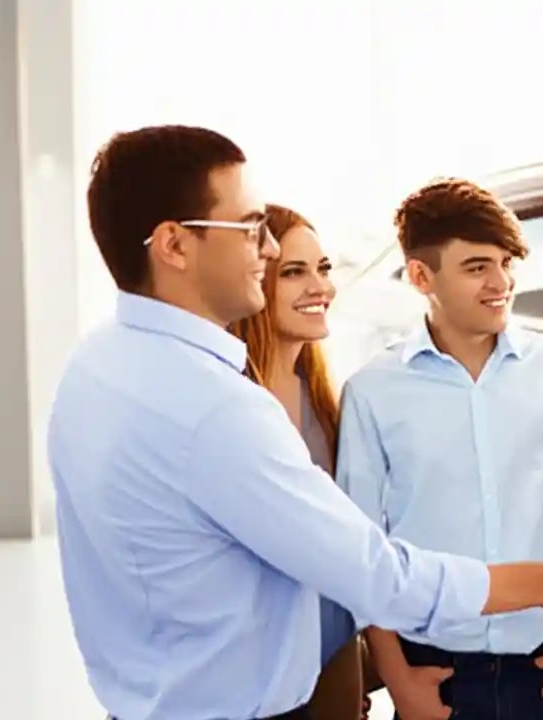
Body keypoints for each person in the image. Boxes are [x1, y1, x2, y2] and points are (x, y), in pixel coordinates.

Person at [48, 125, 543, 720]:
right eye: (249, 228)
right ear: (173, 245)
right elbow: (379, 576)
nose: (267, 248)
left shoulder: (95, 365)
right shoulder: (218, 409)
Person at [336, 177, 543, 720]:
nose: (500, 282)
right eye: (477, 266)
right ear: (420, 276)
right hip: (434, 672)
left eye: (507, 262)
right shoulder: (372, 390)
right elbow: (362, 553)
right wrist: (399, 679)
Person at [228, 203, 379, 719]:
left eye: (324, 269)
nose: (321, 288)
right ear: (255, 280)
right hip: (254, 659)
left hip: (332, 645)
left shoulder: (325, 399)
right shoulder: (227, 402)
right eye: (295, 272)